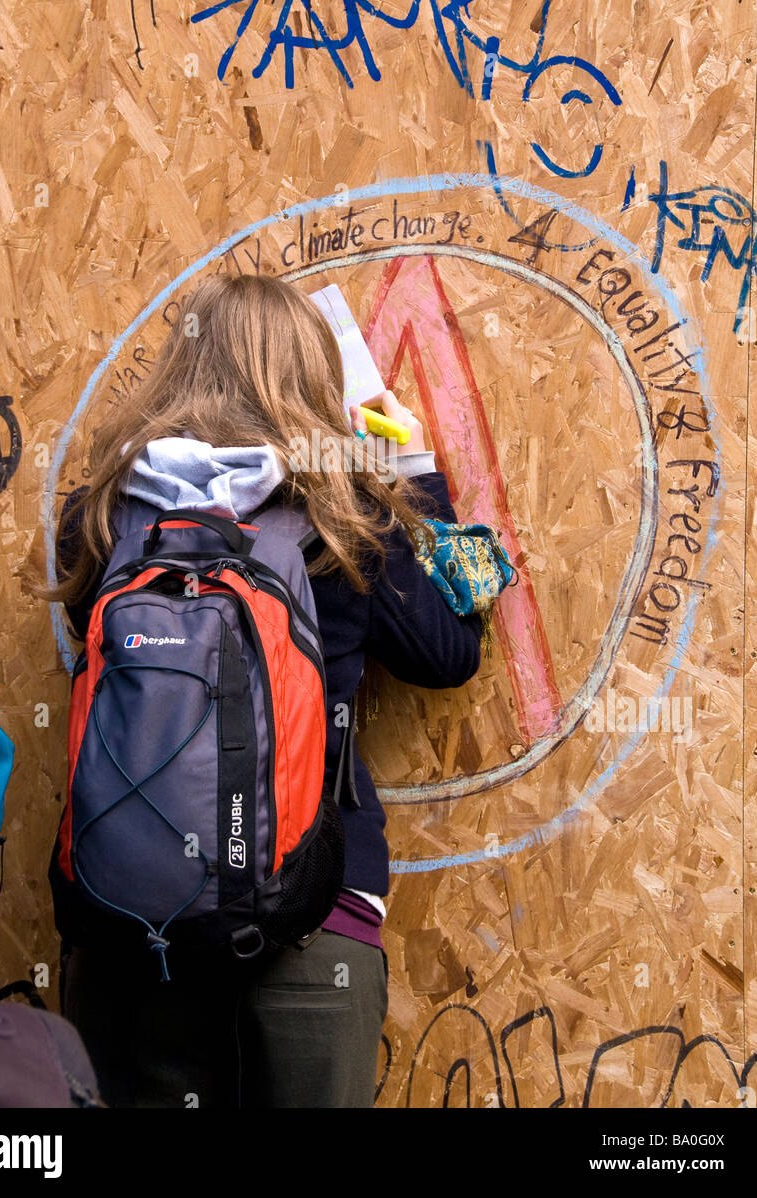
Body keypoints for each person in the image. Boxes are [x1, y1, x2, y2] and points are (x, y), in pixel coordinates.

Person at [48, 272, 481, 1108]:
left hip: (130, 924)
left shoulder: (99, 518)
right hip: (315, 915)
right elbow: (445, 653)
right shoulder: (348, 519)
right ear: (313, 376)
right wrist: (414, 470)